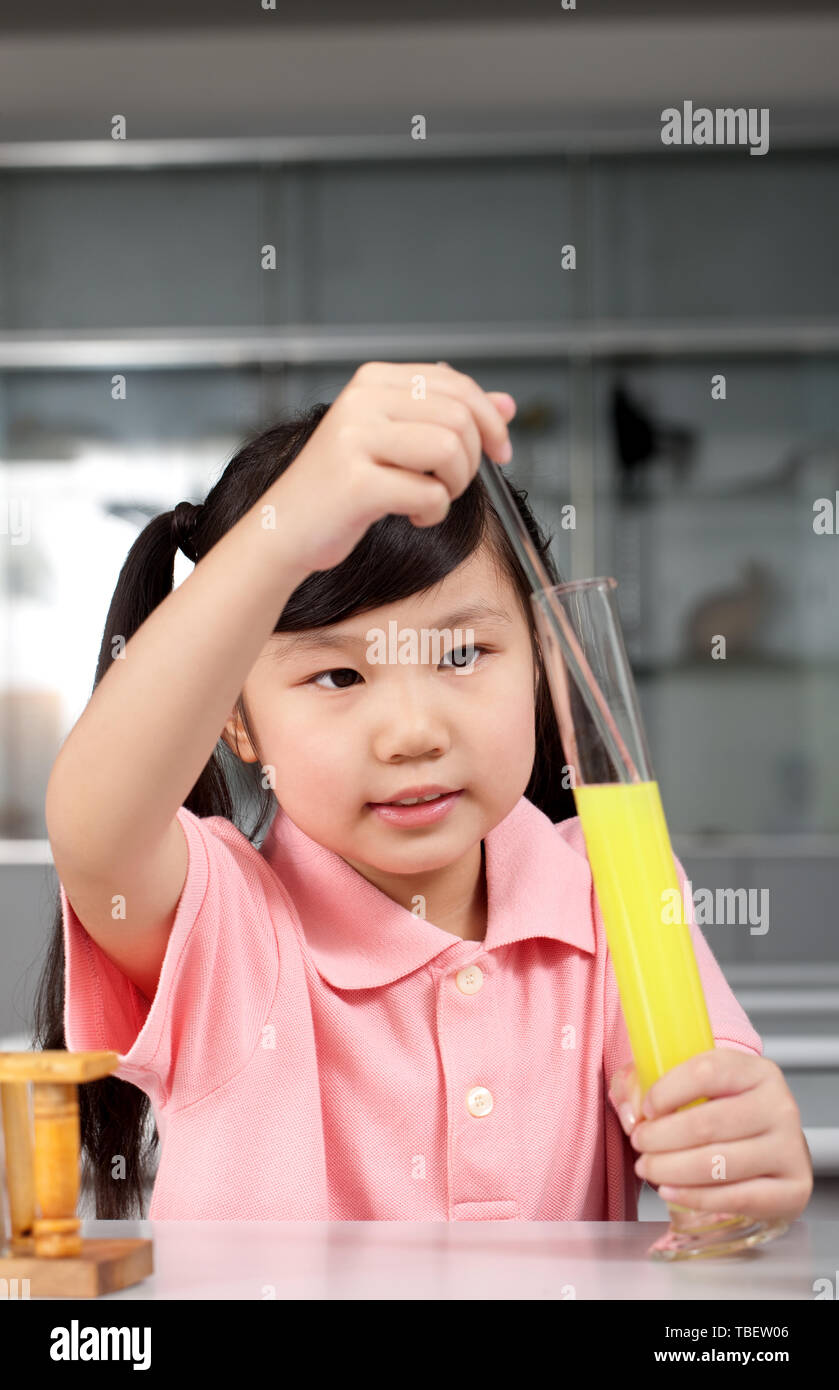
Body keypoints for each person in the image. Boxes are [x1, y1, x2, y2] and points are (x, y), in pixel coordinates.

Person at [36, 361, 812, 1224]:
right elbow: (95, 825)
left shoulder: (610, 891)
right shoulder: (225, 924)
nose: (413, 730)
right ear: (237, 722)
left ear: (542, 665)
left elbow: (717, 1144)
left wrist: (741, 1162)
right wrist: (283, 532)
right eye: (336, 675)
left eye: (460, 656)